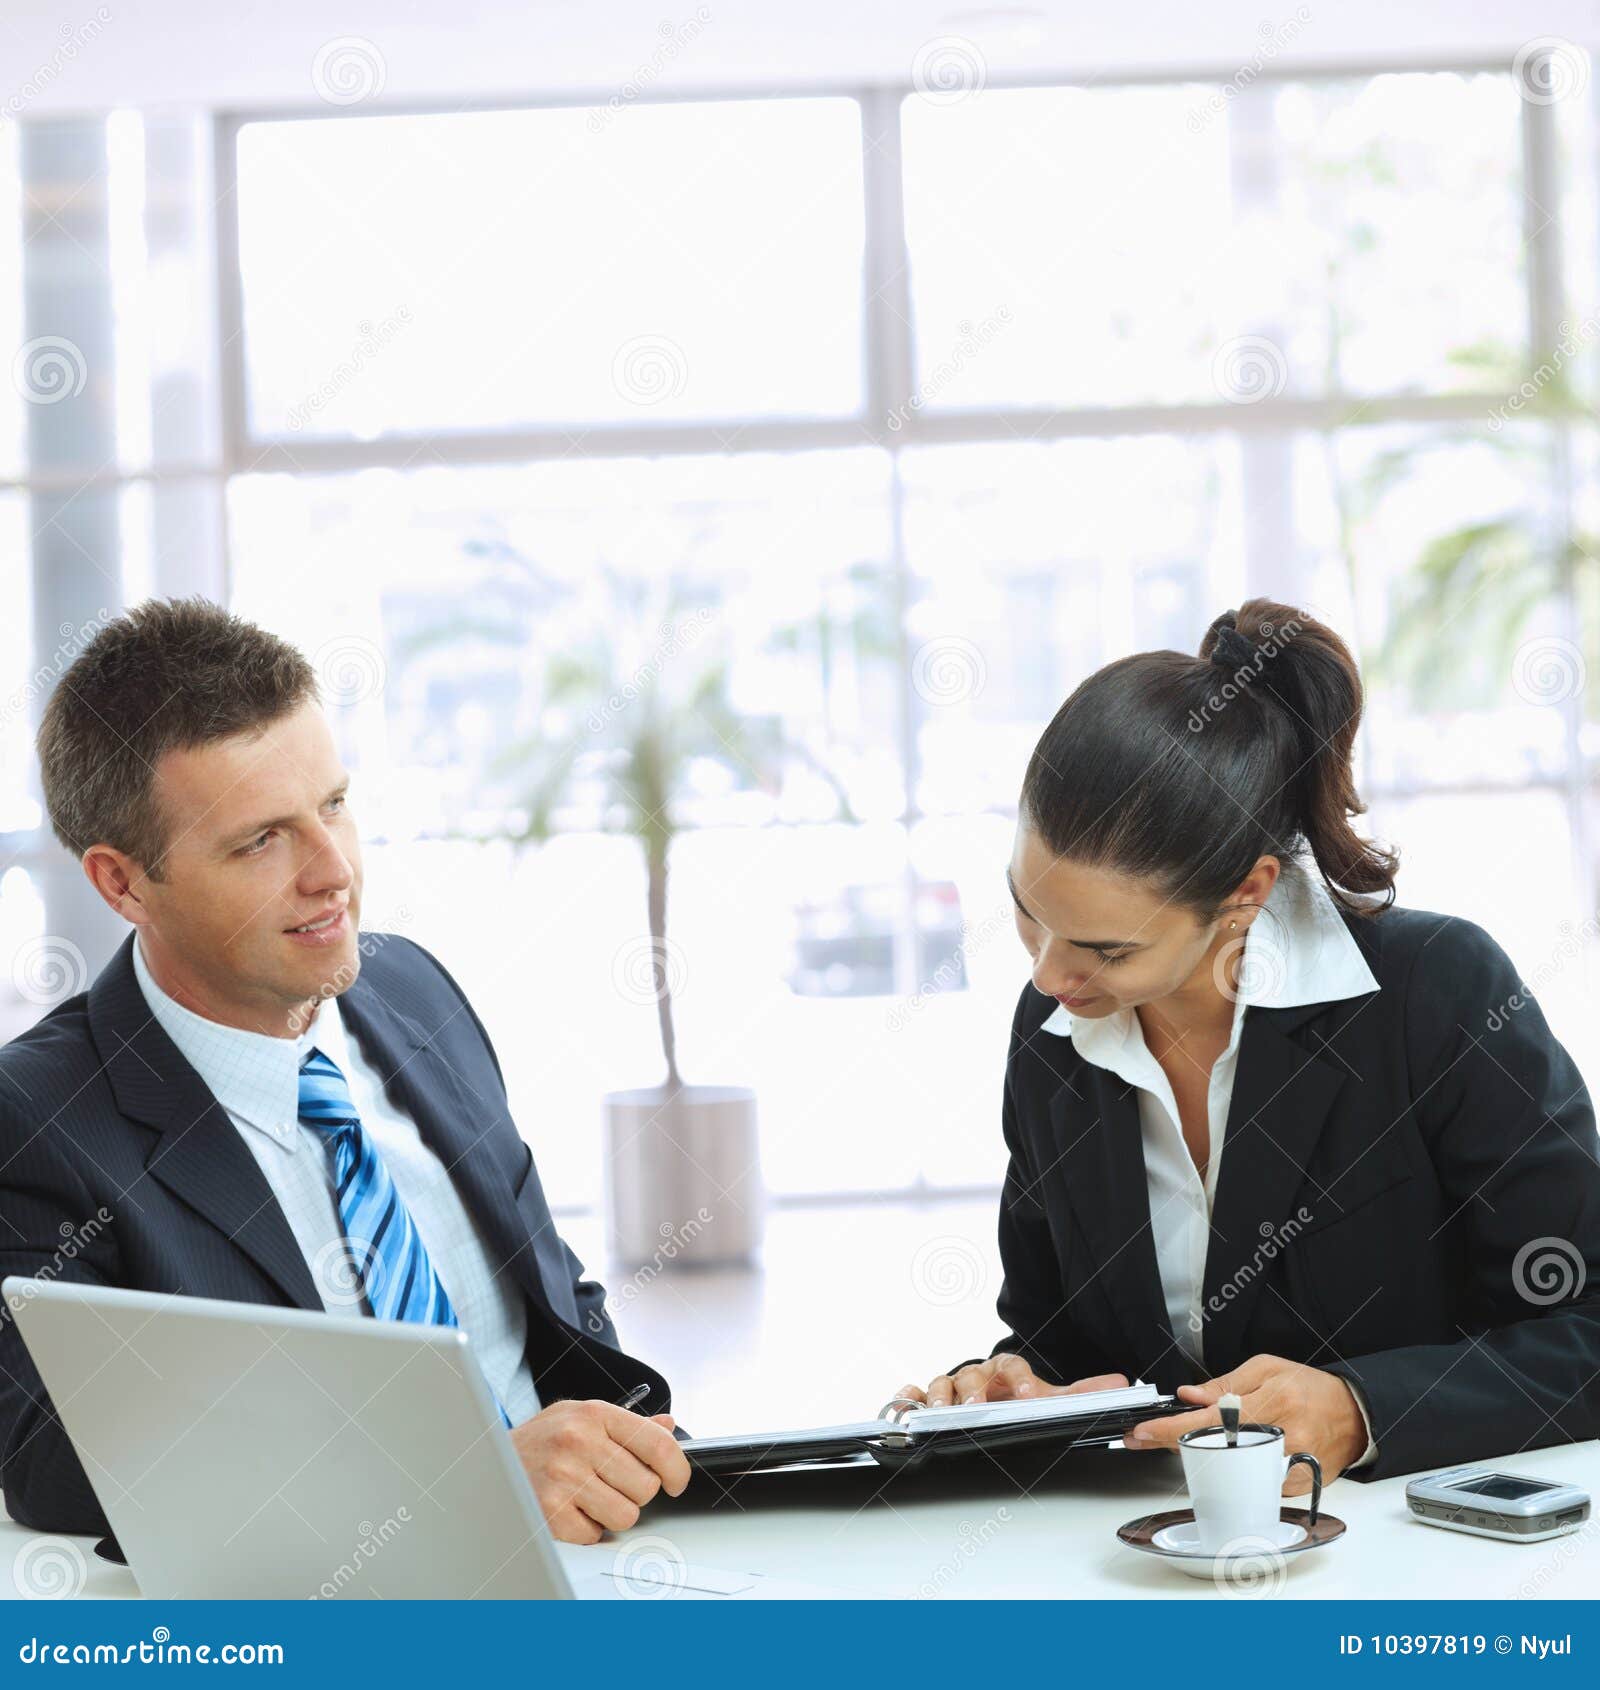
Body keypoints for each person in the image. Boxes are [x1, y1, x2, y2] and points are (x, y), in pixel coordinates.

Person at [0, 597, 689, 1543]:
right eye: (260, 841)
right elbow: (49, 1458)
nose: (334, 872)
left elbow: (556, 1305)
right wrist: (464, 1482)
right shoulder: (38, 1114)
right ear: (123, 883)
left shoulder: (414, 991)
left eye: (333, 806)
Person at [895, 598, 1600, 1494]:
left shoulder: (1436, 989)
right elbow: (1059, 1338)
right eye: (1029, 917)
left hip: (1411, 1564)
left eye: (1108, 949)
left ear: (1247, 891)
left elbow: (1585, 1325)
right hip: (1156, 1565)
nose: (1048, 978)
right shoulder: (1053, 1033)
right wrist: (1014, 1385)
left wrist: (1364, 1409)